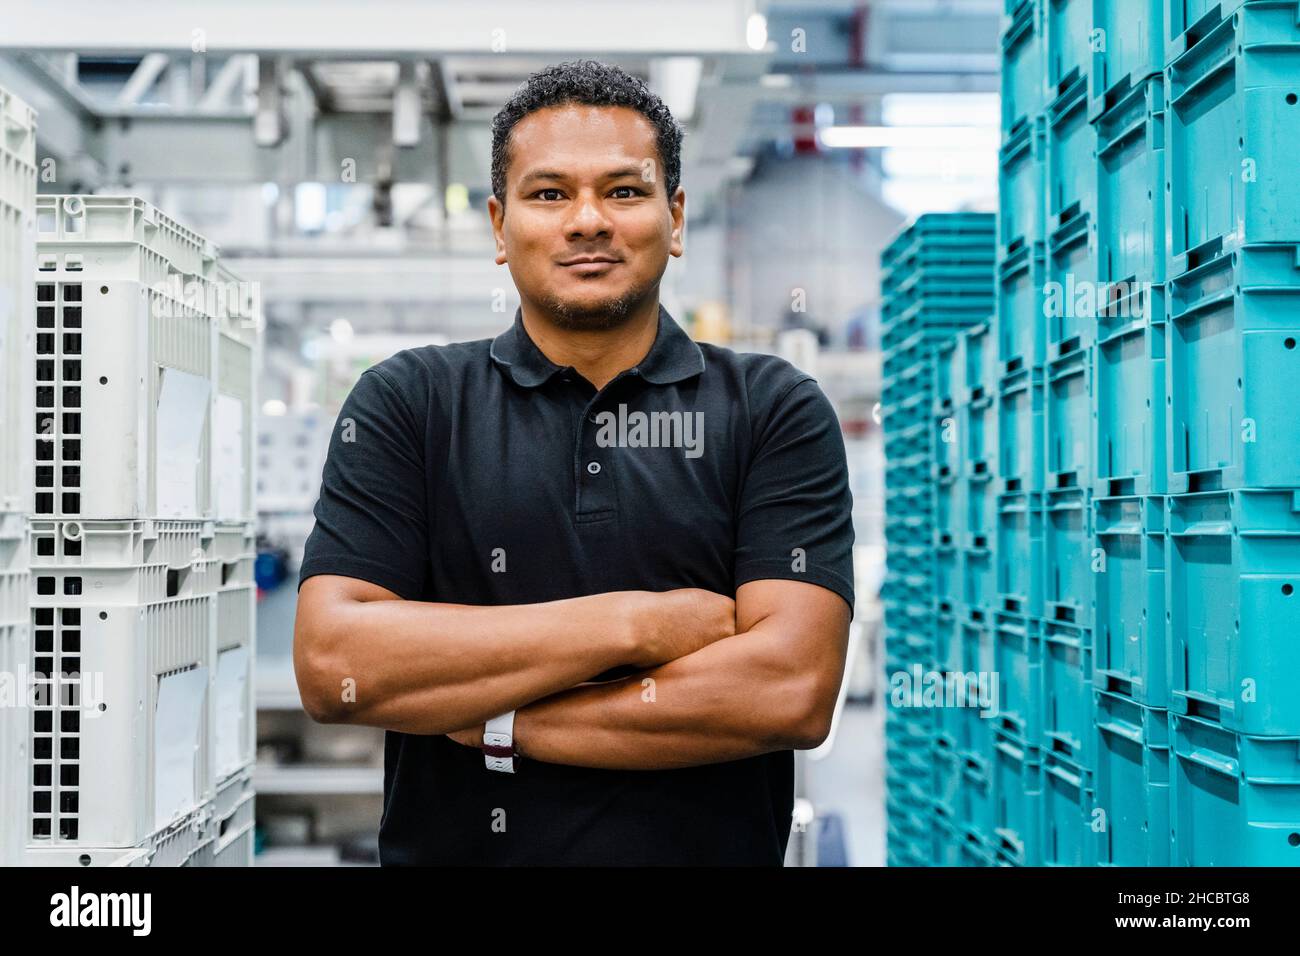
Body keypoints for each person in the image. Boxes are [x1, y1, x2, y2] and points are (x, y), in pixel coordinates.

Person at [294, 59, 855, 865]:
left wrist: (493, 723)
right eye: (549, 193)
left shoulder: (773, 410)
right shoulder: (409, 404)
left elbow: (789, 690)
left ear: (677, 217)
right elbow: (335, 665)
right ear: (499, 225)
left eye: (624, 191)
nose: (587, 220)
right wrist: (641, 622)